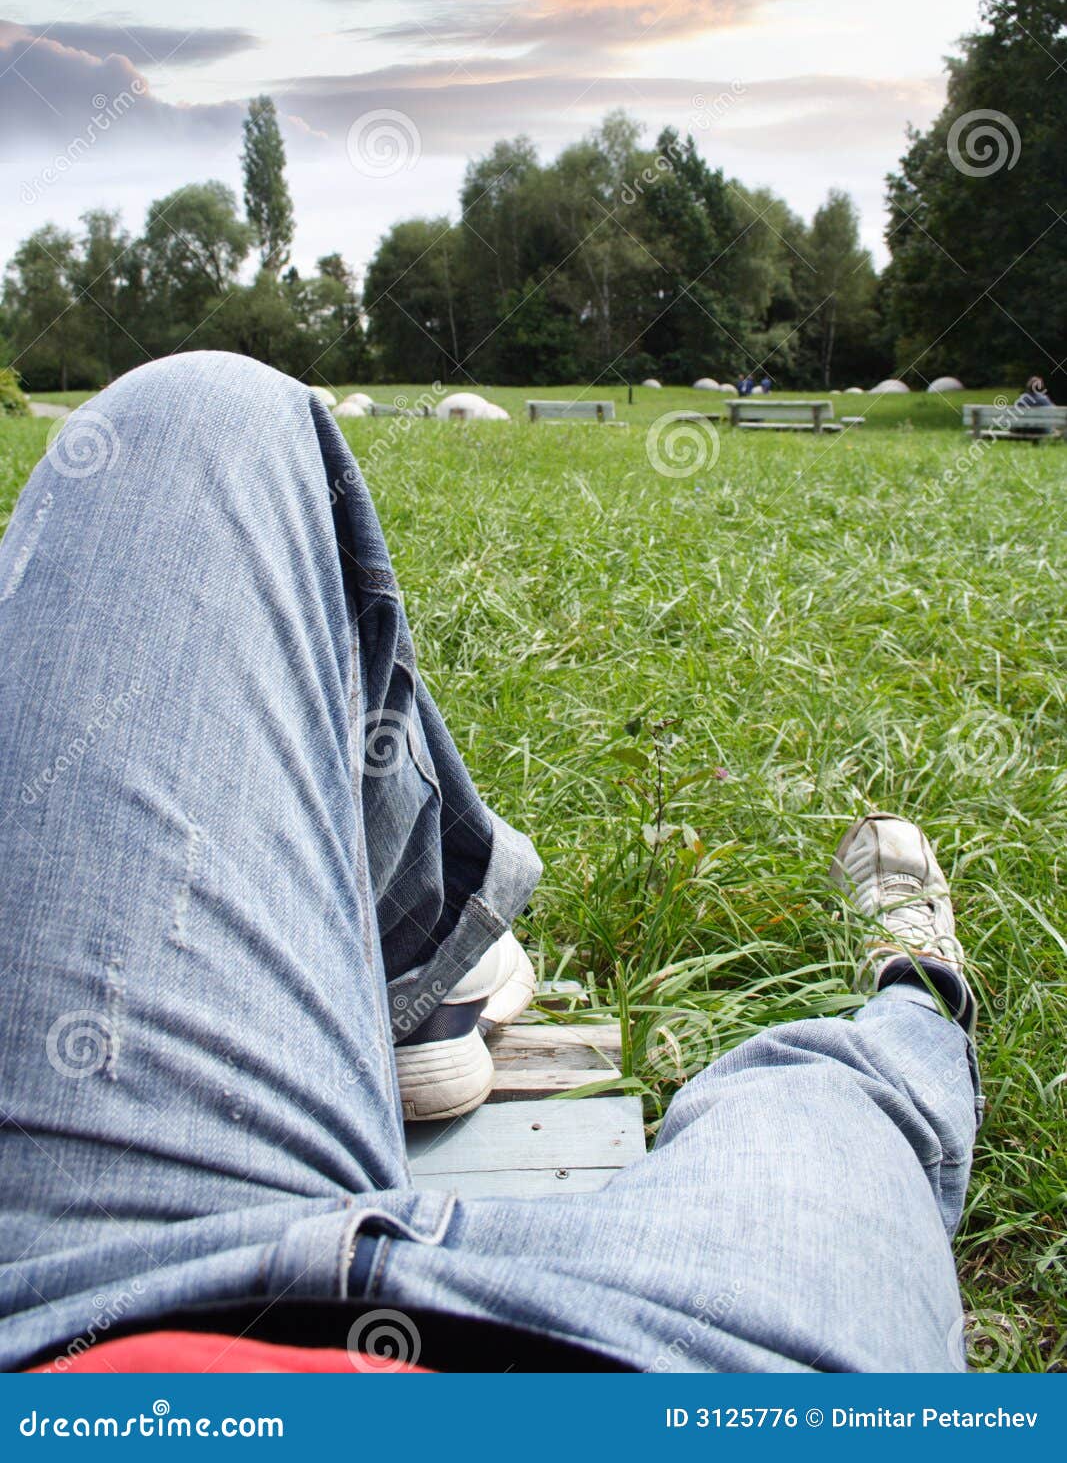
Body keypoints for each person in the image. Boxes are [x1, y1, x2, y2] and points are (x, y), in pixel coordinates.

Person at [0, 355, 982, 1374]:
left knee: (190, 415)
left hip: (88, 1315)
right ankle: (917, 983)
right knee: (826, 1099)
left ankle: (432, 959)